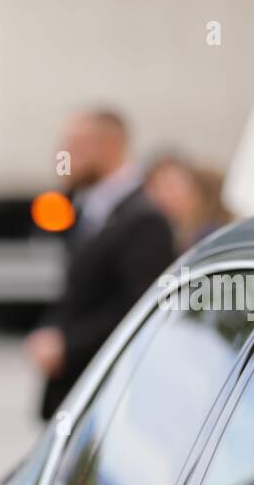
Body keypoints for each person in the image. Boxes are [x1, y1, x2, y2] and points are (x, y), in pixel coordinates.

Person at [24, 109, 176, 422]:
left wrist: (67, 345)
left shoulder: (145, 218)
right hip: (78, 392)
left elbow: (139, 307)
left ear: (109, 146)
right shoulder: (88, 207)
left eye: (76, 146)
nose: (63, 155)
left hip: (113, 398)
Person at [144, 153, 232, 253]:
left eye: (170, 187)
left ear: (192, 185)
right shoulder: (186, 232)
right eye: (156, 190)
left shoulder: (209, 235)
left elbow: (187, 268)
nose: (163, 197)